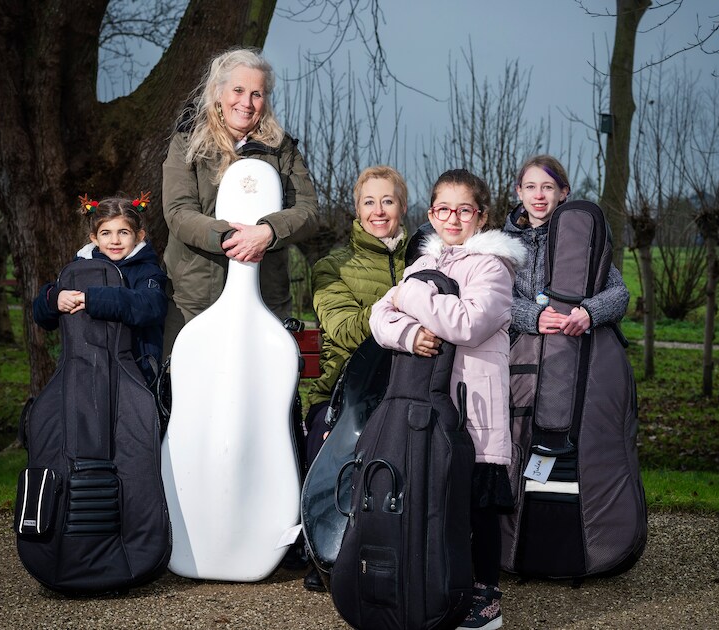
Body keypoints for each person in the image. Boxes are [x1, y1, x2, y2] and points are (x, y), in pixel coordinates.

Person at [370, 169, 523, 630]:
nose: (453, 219)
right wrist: (411, 333)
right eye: (443, 209)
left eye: (464, 210)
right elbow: (379, 317)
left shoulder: (493, 267)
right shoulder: (423, 264)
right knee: (435, 498)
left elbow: (467, 324)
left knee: (477, 504)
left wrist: (411, 295)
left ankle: (485, 599)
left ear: (482, 215)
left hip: (474, 404)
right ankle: (439, 586)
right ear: (431, 213)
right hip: (428, 401)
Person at [160, 47, 318, 351]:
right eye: (238, 90)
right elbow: (179, 212)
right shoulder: (187, 142)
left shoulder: (282, 149)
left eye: (257, 94)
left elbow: (308, 211)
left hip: (266, 298)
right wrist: (229, 238)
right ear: (218, 92)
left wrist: (268, 232)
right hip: (195, 299)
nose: (246, 102)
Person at [302, 165, 410, 591]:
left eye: (387, 201)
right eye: (369, 202)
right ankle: (324, 548)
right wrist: (402, 299)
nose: (378, 211)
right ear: (356, 209)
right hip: (343, 392)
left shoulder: (424, 259)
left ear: (402, 207)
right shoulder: (332, 266)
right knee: (326, 437)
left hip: (406, 386)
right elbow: (345, 329)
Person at [32, 193, 169, 385]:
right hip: (87, 374)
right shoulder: (79, 269)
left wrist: (92, 299)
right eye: (106, 233)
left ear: (139, 236)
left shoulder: (147, 271)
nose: (115, 240)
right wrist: (55, 299)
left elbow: (150, 307)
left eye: (124, 232)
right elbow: (41, 316)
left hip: (136, 373)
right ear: (94, 238)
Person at [503, 155, 629, 338]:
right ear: (519, 192)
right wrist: (532, 316)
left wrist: (589, 313)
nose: (538, 195)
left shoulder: (581, 239)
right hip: (516, 351)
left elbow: (619, 294)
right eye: (530, 187)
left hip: (570, 350)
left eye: (547, 187)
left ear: (563, 192)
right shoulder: (502, 244)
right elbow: (493, 301)